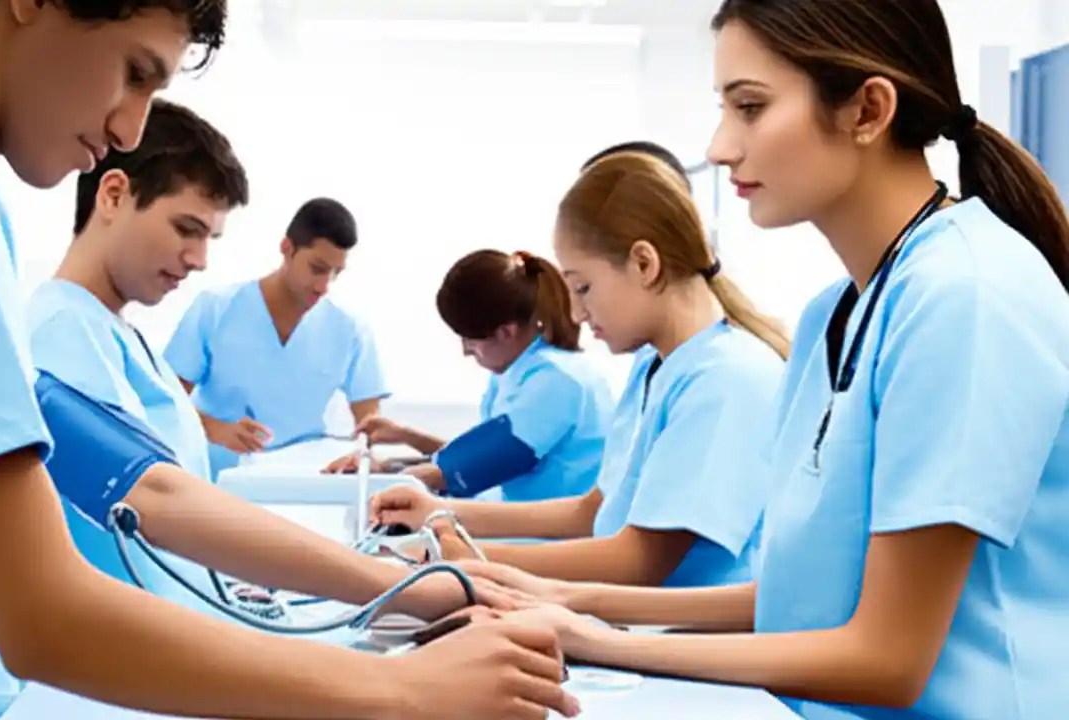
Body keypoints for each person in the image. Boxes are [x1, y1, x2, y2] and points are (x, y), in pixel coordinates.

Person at [0, 2, 577, 718]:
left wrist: (397, 591)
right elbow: (42, 614)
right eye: (135, 72)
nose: (130, 129)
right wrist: (403, 690)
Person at [473, 1, 1069, 718]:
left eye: (750, 107)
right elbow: (805, 599)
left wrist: (594, 638)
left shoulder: (968, 295)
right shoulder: (832, 313)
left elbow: (887, 660)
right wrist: (573, 601)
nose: (721, 147)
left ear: (868, 111)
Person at [27, 98, 488, 622]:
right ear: (113, 195)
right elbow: (155, 498)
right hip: (136, 628)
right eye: (186, 229)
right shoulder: (58, 334)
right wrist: (400, 587)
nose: (199, 260)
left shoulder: (121, 337)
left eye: (209, 239)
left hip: (191, 602)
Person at [371, 151, 787, 591]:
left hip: (677, 634)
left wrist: (468, 555)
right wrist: (442, 516)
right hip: (631, 616)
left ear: (644, 264)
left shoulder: (725, 378)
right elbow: (594, 512)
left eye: (583, 287)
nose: (575, 311)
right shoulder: (656, 365)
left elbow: (640, 561)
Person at [329, 249, 615, 504]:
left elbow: (471, 468)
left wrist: (380, 481)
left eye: (470, 339)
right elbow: (477, 455)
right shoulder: (521, 371)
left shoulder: (555, 382)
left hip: (556, 541)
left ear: (506, 332)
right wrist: (400, 444)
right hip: (528, 523)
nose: (466, 351)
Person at [164, 197, 388, 476]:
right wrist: (215, 430)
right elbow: (165, 401)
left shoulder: (350, 331)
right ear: (287, 249)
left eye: (335, 273)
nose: (324, 286)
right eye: (317, 268)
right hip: (215, 477)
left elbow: (370, 427)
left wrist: (360, 456)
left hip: (300, 480)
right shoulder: (215, 309)